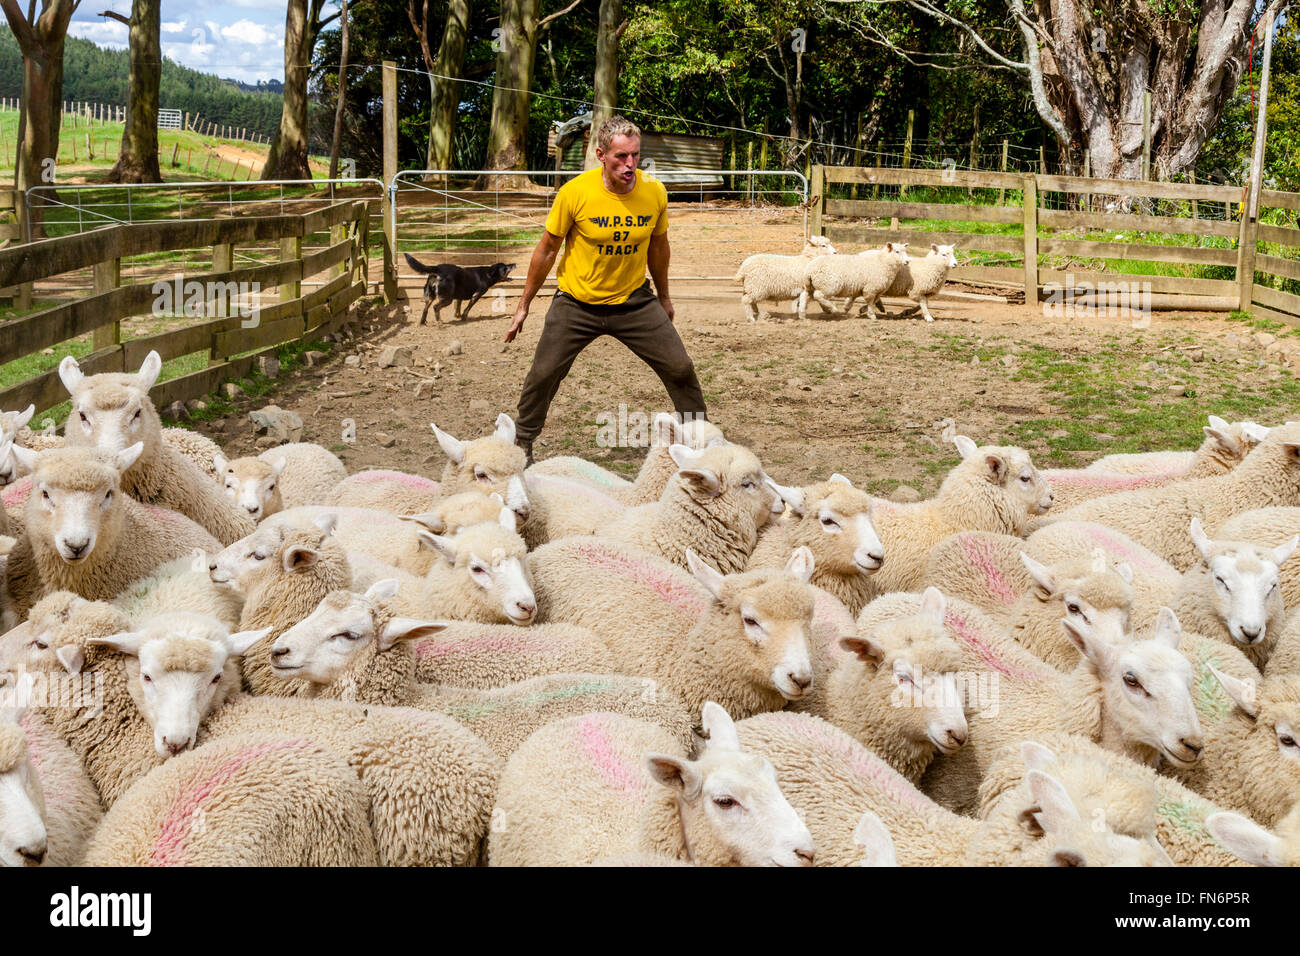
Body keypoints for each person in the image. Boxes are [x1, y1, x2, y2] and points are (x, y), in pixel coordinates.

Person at [504, 115, 707, 465]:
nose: (630, 164)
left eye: (635, 156)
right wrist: (524, 304)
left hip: (633, 302)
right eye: (621, 157)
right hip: (576, 303)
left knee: (680, 368)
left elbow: (658, 247)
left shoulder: (654, 192)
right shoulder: (575, 193)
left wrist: (665, 297)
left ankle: (702, 441)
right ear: (600, 154)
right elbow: (547, 249)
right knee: (543, 373)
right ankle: (522, 442)